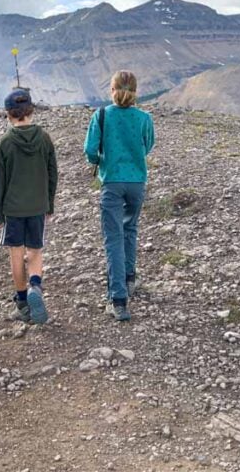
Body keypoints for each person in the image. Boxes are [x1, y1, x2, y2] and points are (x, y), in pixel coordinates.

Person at [85, 71, 155, 322]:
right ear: (135, 92)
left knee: (113, 238)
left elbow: (90, 150)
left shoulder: (101, 115)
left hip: (112, 181)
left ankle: (118, 299)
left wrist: (100, 160)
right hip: (137, 181)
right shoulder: (145, 118)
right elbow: (147, 146)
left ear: (112, 90)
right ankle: (129, 278)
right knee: (130, 229)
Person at [0, 89, 58, 325]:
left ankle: (22, 303)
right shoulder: (44, 138)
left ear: (9, 114)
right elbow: (53, 173)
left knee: (16, 254)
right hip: (38, 206)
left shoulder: (5, 142)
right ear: (31, 111)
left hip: (13, 209)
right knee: (36, 251)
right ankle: (36, 288)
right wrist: (49, 203)